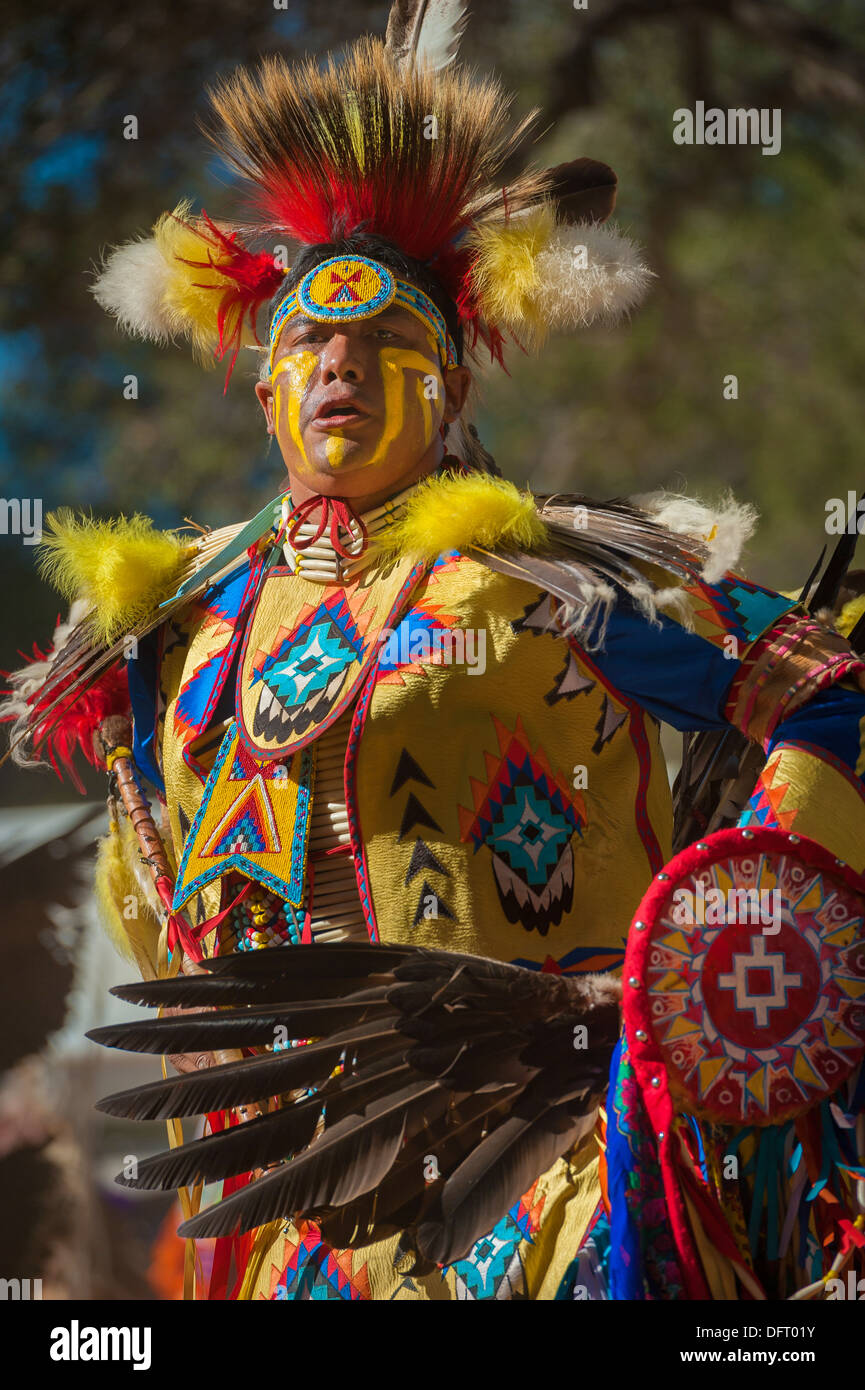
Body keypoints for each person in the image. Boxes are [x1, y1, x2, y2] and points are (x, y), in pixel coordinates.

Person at [6, 2, 865, 1302]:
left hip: (552, 1178)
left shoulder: (550, 580)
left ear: (453, 387)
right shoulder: (168, 628)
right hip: (282, 1221)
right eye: (309, 343)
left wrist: (720, 950)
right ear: (263, 387)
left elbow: (828, 692)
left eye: (386, 343)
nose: (340, 365)